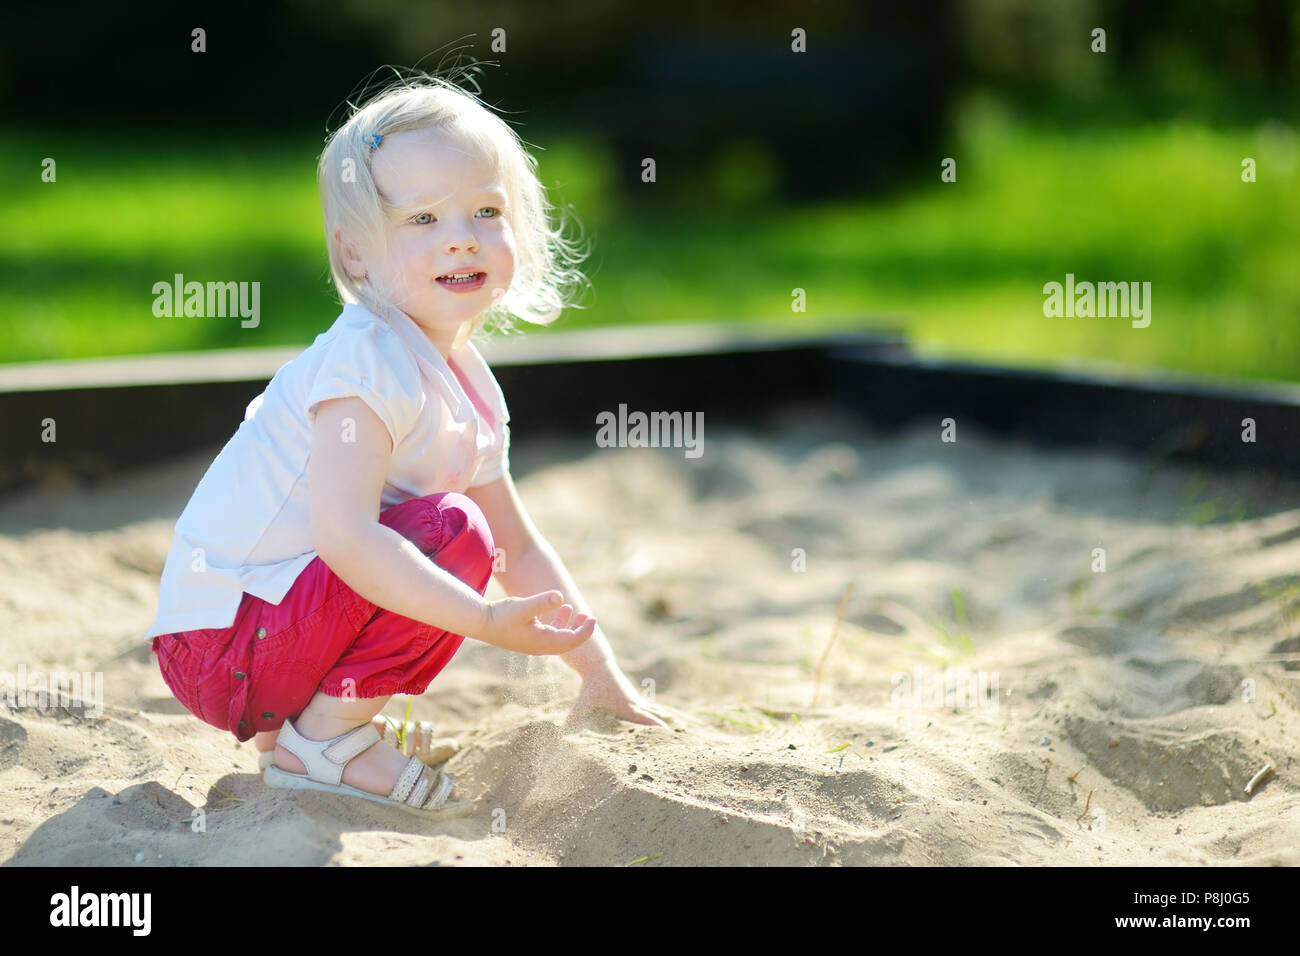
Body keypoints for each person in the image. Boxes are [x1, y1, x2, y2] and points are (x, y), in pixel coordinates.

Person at [143, 71, 674, 819]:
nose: (461, 235)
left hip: (270, 632)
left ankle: (311, 727)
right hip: (218, 644)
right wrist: (485, 622)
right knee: (451, 533)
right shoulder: (366, 362)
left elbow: (519, 551)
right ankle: (324, 742)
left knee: (469, 535)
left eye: (487, 210)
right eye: (421, 219)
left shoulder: (470, 388)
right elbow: (346, 535)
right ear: (355, 254)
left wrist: (599, 672)